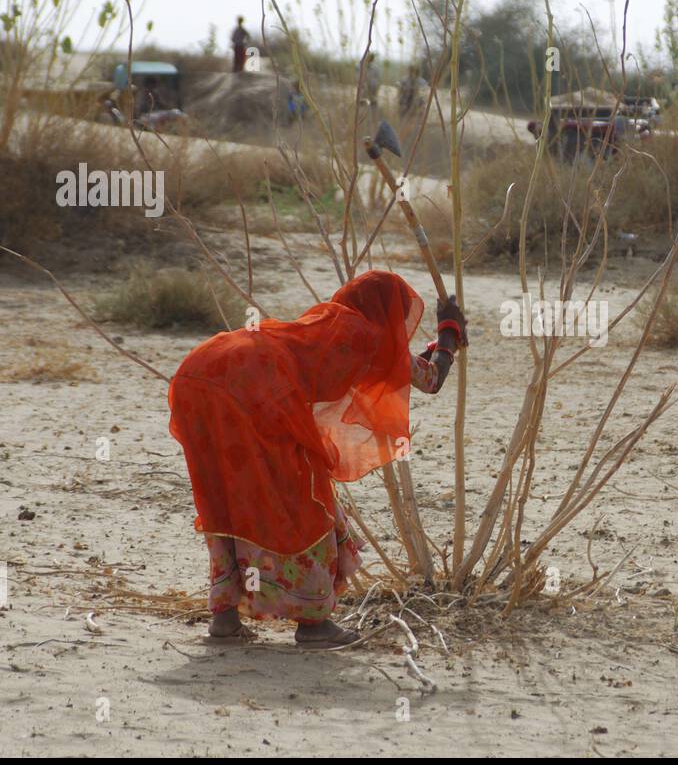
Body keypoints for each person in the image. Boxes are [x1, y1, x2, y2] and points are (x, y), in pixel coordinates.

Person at [168, 271, 467, 646]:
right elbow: (431, 380)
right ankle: (314, 623)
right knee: (304, 501)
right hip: (250, 382)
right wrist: (450, 329)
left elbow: (394, 369)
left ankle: (225, 616)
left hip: (199, 372)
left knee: (227, 494)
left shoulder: (329, 323)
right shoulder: (367, 336)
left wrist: (441, 341)